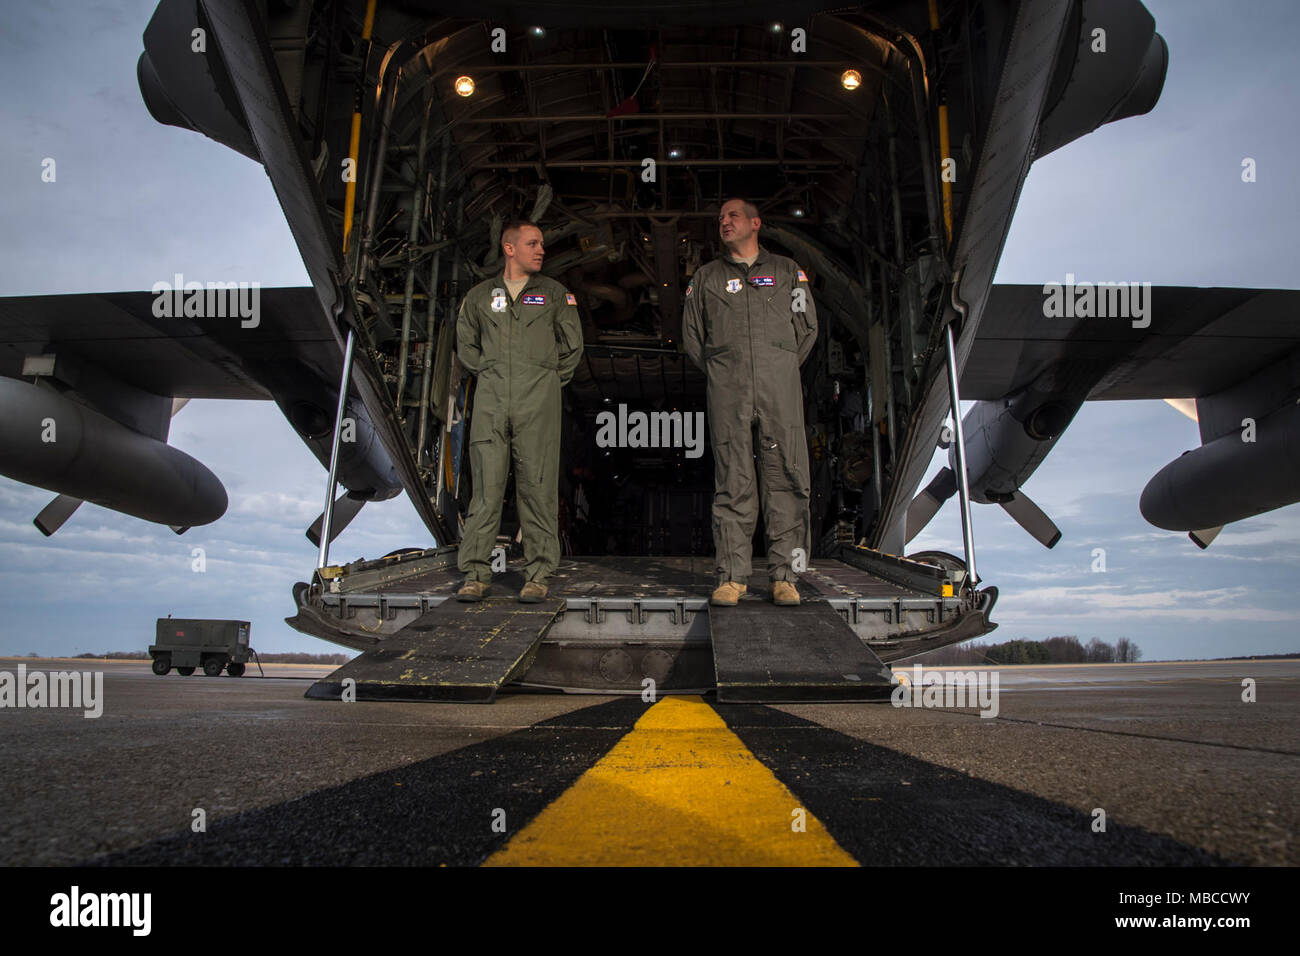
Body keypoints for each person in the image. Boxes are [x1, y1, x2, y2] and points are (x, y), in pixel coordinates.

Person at [681, 198, 818, 607]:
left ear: (755, 223)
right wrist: (725, 370)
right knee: (733, 481)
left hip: (780, 388)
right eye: (720, 218)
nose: (724, 222)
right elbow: (693, 337)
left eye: (733, 216)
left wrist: (780, 364)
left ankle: (785, 577)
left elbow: (806, 328)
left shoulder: (787, 272)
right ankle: (732, 576)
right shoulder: (706, 278)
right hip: (729, 389)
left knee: (787, 476)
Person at [454, 220, 584, 602]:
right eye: (532, 244)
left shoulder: (556, 294)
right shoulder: (479, 297)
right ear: (509, 249)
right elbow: (467, 347)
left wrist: (542, 379)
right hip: (492, 401)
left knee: (538, 488)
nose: (541, 250)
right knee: (486, 491)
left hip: (538, 401)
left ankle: (538, 575)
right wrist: (494, 372)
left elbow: (572, 348)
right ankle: (476, 575)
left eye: (541, 243)